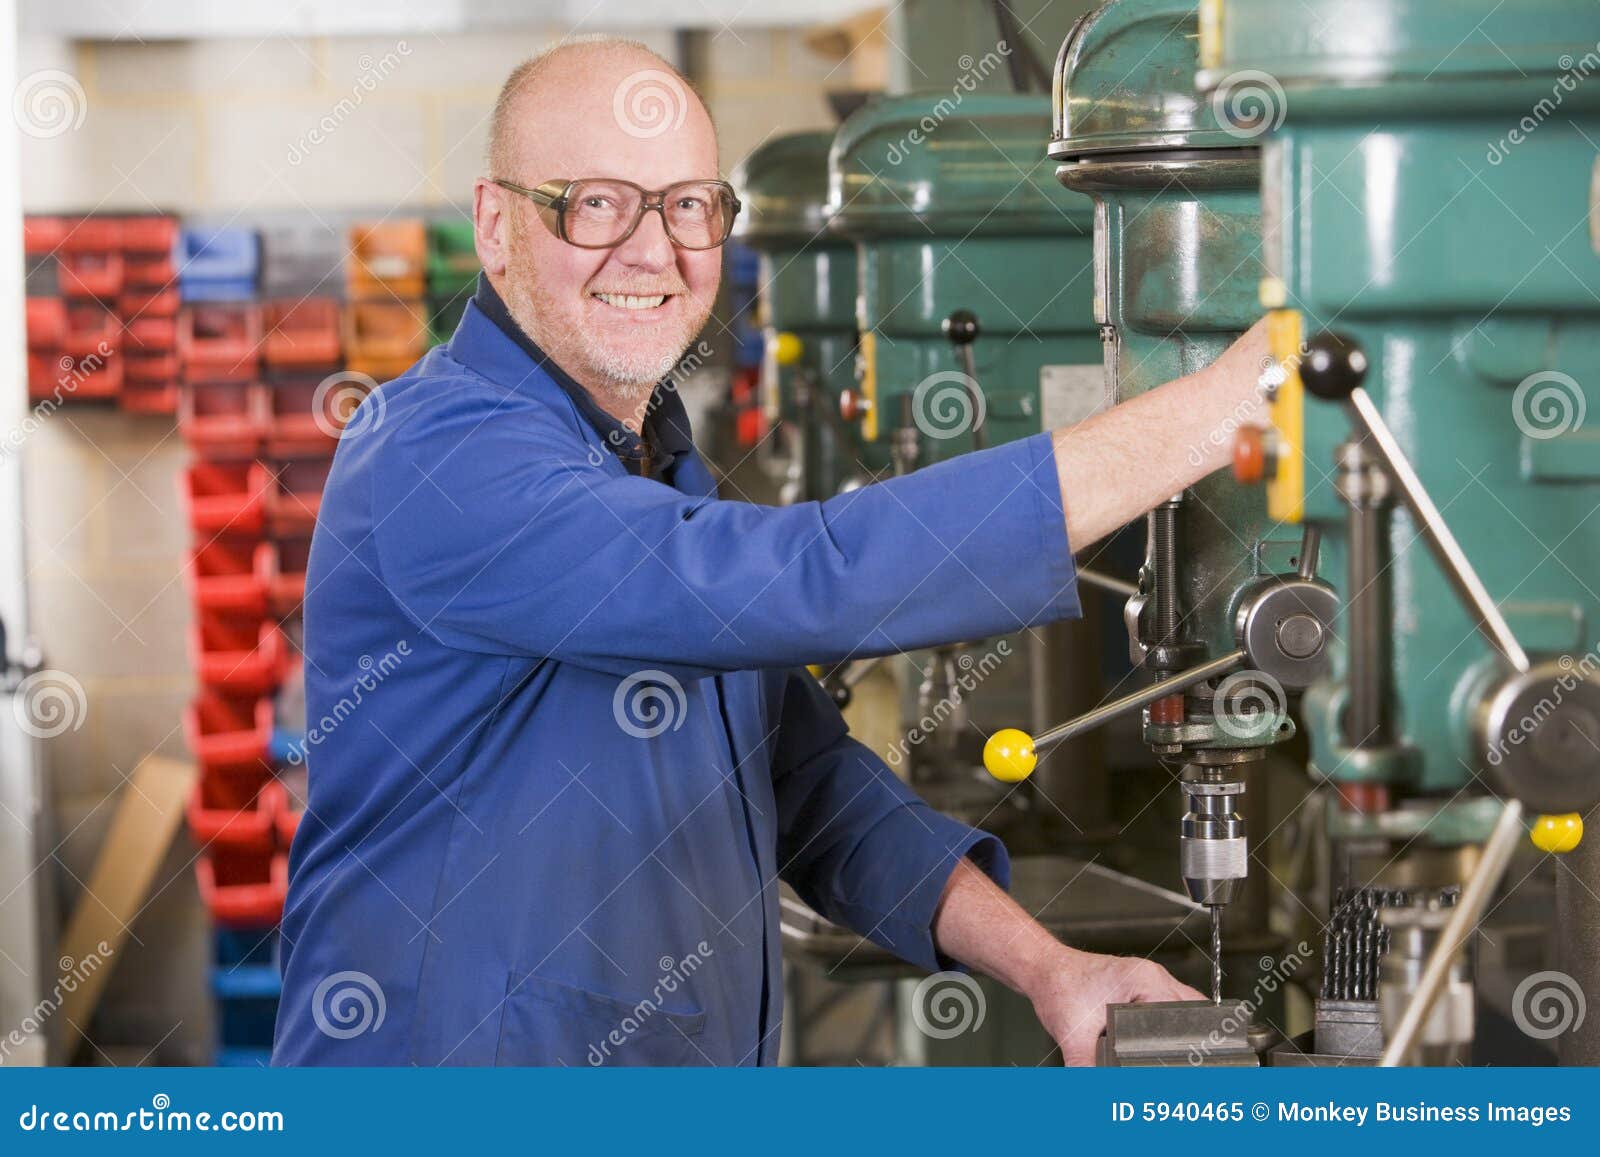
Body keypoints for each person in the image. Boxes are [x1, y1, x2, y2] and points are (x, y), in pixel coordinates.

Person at [271, 37, 1270, 1067]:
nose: (654, 251)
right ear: (496, 222)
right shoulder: (434, 452)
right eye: (598, 203)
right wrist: (1221, 411)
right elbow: (794, 576)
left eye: (689, 205)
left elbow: (808, 785)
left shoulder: (649, 464)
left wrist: (1051, 967)